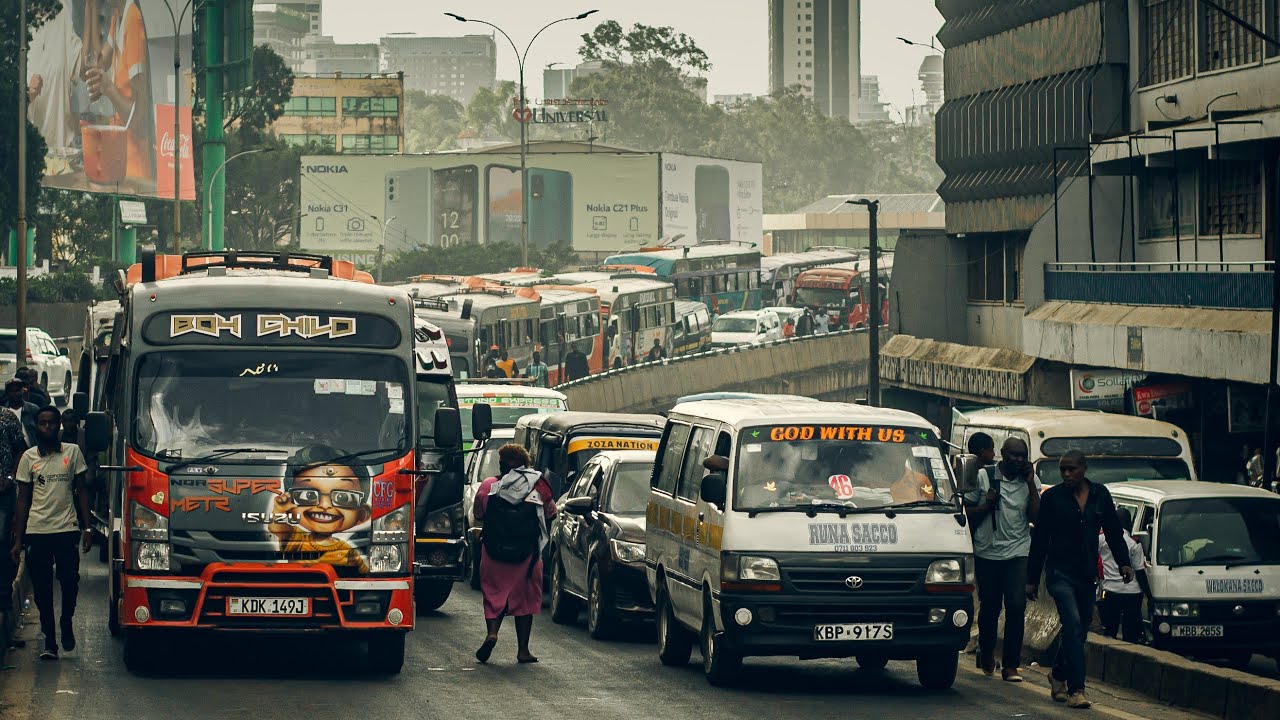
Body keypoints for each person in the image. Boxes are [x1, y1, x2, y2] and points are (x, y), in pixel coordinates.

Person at [1027, 450, 1132, 709]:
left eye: (1071, 469)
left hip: (1086, 575)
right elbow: (1040, 539)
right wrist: (1031, 579)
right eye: (1062, 469)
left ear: (1084, 468)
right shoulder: (1052, 498)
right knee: (1072, 624)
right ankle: (1077, 690)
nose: (1066, 474)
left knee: (1080, 630)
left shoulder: (1100, 495)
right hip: (1059, 574)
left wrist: (1124, 562)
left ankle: (1058, 674)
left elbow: (1113, 531)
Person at [10, 406, 91, 660]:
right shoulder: (28, 458)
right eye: (43, 423)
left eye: (52, 423)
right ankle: (50, 641)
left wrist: (88, 527)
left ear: (59, 426)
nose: (48, 427)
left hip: (67, 529)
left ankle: (66, 622)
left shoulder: (72, 452)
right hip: (37, 531)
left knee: (70, 581)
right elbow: (23, 499)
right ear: (36, 427)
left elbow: (82, 490)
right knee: (43, 589)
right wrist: (18, 539)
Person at [963, 437, 1041, 682]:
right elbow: (965, 512)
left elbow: (1037, 518)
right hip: (987, 552)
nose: (1018, 460)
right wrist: (986, 505)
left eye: (1023, 455)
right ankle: (986, 653)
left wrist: (1030, 484)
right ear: (1002, 454)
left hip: (1018, 551)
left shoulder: (1031, 480)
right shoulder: (984, 476)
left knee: (1017, 605)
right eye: (1014, 455)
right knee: (990, 607)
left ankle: (1010, 665)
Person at [472, 444, 556, 664]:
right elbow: (551, 513)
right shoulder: (537, 484)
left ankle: (492, 633)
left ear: (502, 463)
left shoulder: (489, 485)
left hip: (493, 552)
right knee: (525, 598)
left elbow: (478, 514)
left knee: (494, 594)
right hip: (527, 554)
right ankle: (523, 650)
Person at [85, 0, 157, 185]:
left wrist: (108, 88)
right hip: (120, 159)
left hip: (135, 168)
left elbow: (138, 119)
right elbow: (98, 62)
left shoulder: (133, 20)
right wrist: (91, 9)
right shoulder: (118, 15)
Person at [270, 446, 372, 573]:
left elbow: (364, 574)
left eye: (343, 498)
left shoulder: (347, 551)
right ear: (291, 504)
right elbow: (276, 527)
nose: (324, 505)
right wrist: (279, 510)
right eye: (308, 495)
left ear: (362, 515)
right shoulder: (298, 539)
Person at [1097, 507, 1153, 643]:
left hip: (1110, 591)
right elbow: (1140, 572)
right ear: (1129, 523)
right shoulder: (1134, 543)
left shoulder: (1102, 539)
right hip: (1132, 594)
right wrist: (1149, 596)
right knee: (1130, 634)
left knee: (1110, 630)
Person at [0, 403, 29, 621]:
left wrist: (11, 476)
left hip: (3, 492)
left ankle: (3, 596)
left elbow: (21, 450)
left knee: (1, 540)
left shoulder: (7, 418)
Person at [5, 378, 40, 446]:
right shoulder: (3, 412)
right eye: (12, 391)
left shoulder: (33, 409)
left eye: (18, 390)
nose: (15, 393)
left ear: (22, 391)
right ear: (7, 393)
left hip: (32, 449)